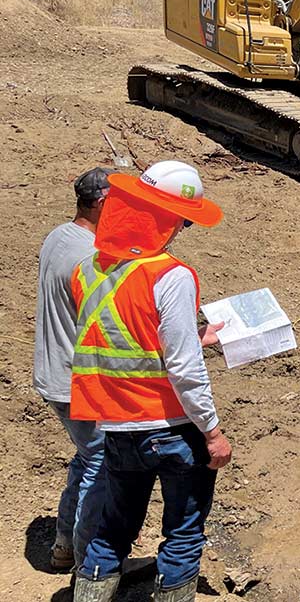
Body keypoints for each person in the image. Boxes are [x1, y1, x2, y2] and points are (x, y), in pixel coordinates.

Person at [71, 161, 229, 602]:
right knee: (183, 533)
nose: (181, 229)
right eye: (183, 220)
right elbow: (183, 367)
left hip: (117, 426)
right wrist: (212, 432)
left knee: (112, 530)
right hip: (172, 427)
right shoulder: (170, 275)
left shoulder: (87, 270)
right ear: (167, 218)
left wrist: (194, 335)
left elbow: (126, 337)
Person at [35, 168, 113, 572]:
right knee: (102, 464)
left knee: (87, 456)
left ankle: (65, 546)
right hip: (75, 381)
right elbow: (106, 324)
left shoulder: (58, 236)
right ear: (101, 203)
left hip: (53, 373)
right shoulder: (90, 256)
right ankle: (90, 565)